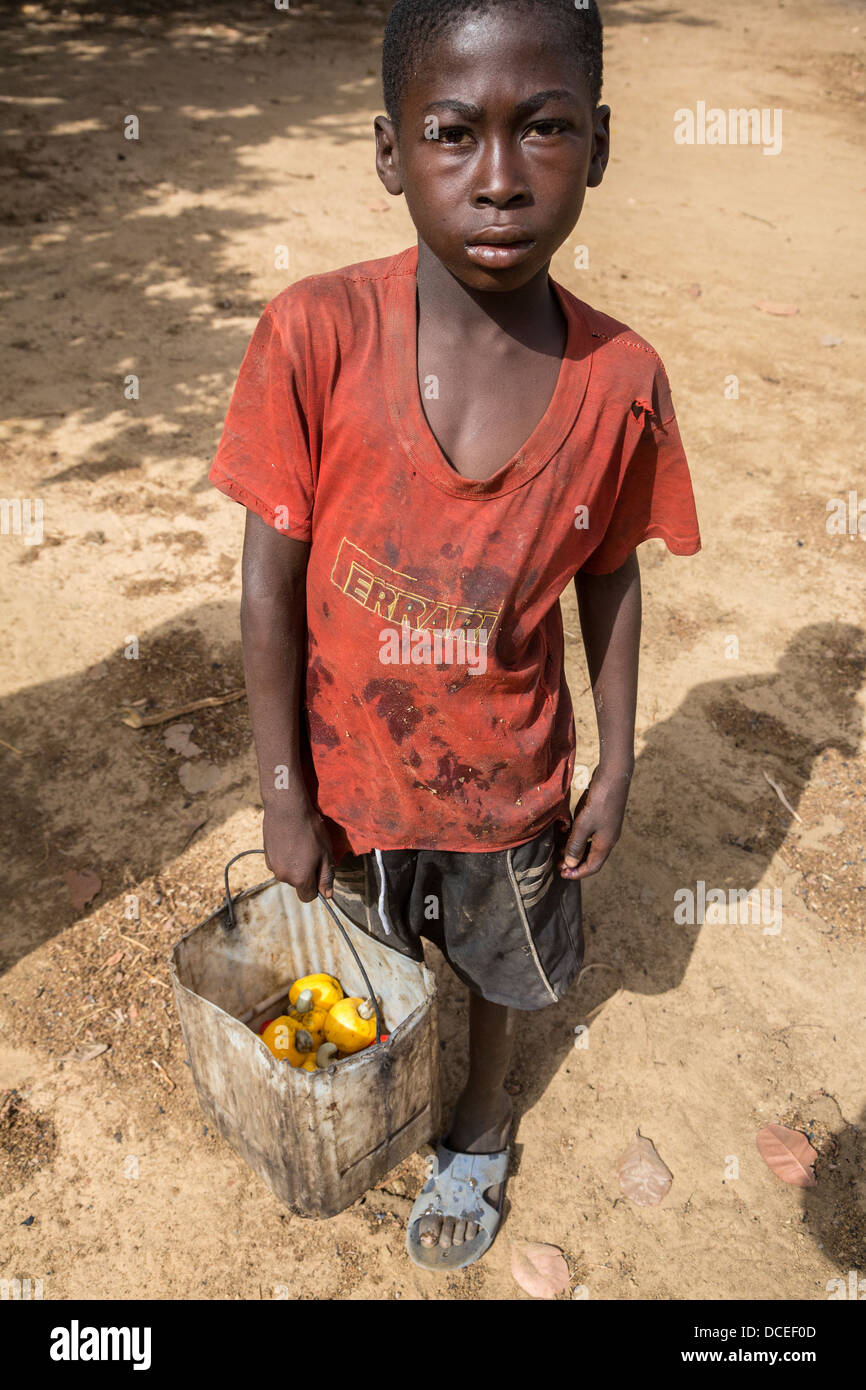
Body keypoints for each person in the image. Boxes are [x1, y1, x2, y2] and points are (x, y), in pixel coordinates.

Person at [208, 0, 701, 1271]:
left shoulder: (620, 380)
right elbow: (268, 585)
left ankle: (479, 1126)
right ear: (389, 152)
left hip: (507, 789)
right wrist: (281, 794)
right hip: (347, 773)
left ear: (596, 147)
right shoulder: (314, 336)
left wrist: (618, 762)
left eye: (542, 128)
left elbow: (610, 577)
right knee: (361, 958)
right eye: (450, 132)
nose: (496, 177)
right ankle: (359, 1099)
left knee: (498, 973)